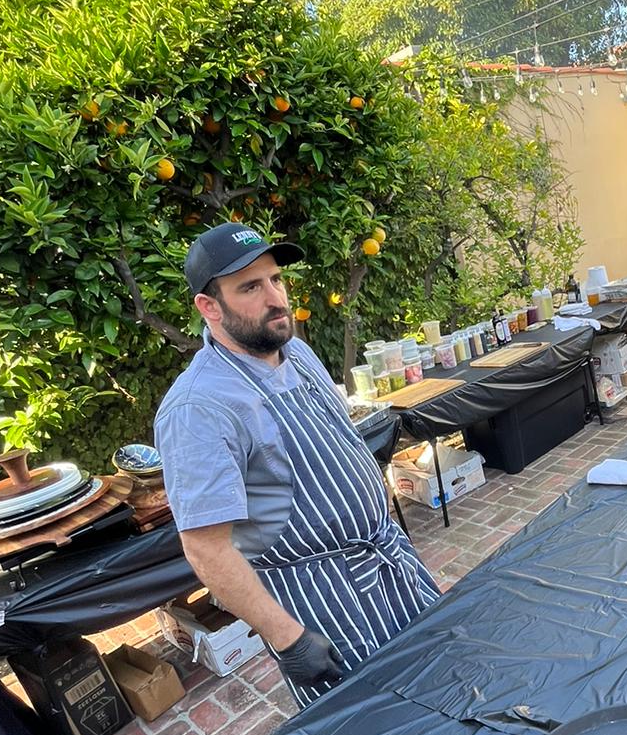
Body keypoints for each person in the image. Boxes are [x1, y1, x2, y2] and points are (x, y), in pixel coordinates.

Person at [154, 223, 440, 709]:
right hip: (325, 603)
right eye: (250, 287)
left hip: (390, 563)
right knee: (385, 725)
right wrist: (288, 639)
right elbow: (205, 548)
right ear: (209, 306)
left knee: (444, 677)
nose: (275, 298)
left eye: (276, 279)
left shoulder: (298, 353)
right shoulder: (198, 409)